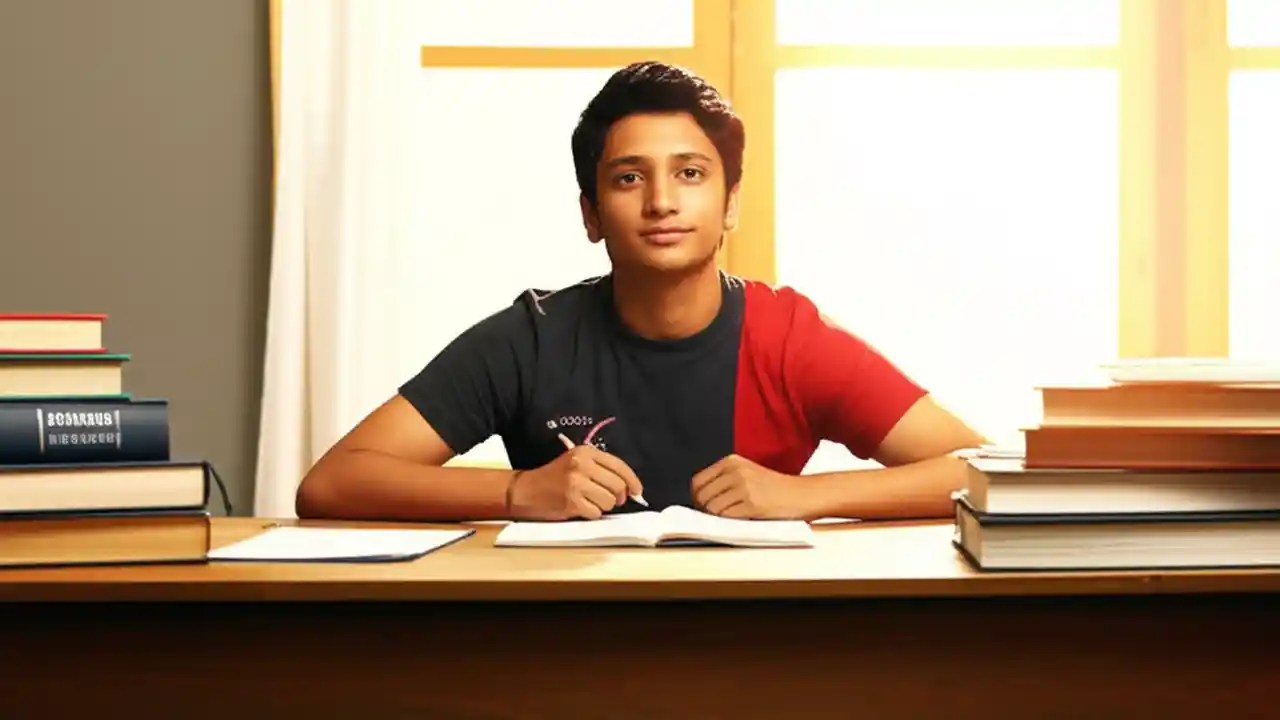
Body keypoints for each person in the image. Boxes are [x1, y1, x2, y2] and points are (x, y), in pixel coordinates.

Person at [295, 61, 986, 523]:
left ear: (730, 203)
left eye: (690, 174)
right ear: (591, 213)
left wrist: (803, 496)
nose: (661, 201)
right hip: (564, 647)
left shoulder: (788, 337)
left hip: (760, 647)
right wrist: (517, 490)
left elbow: (979, 471)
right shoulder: (530, 338)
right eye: (629, 178)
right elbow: (331, 484)